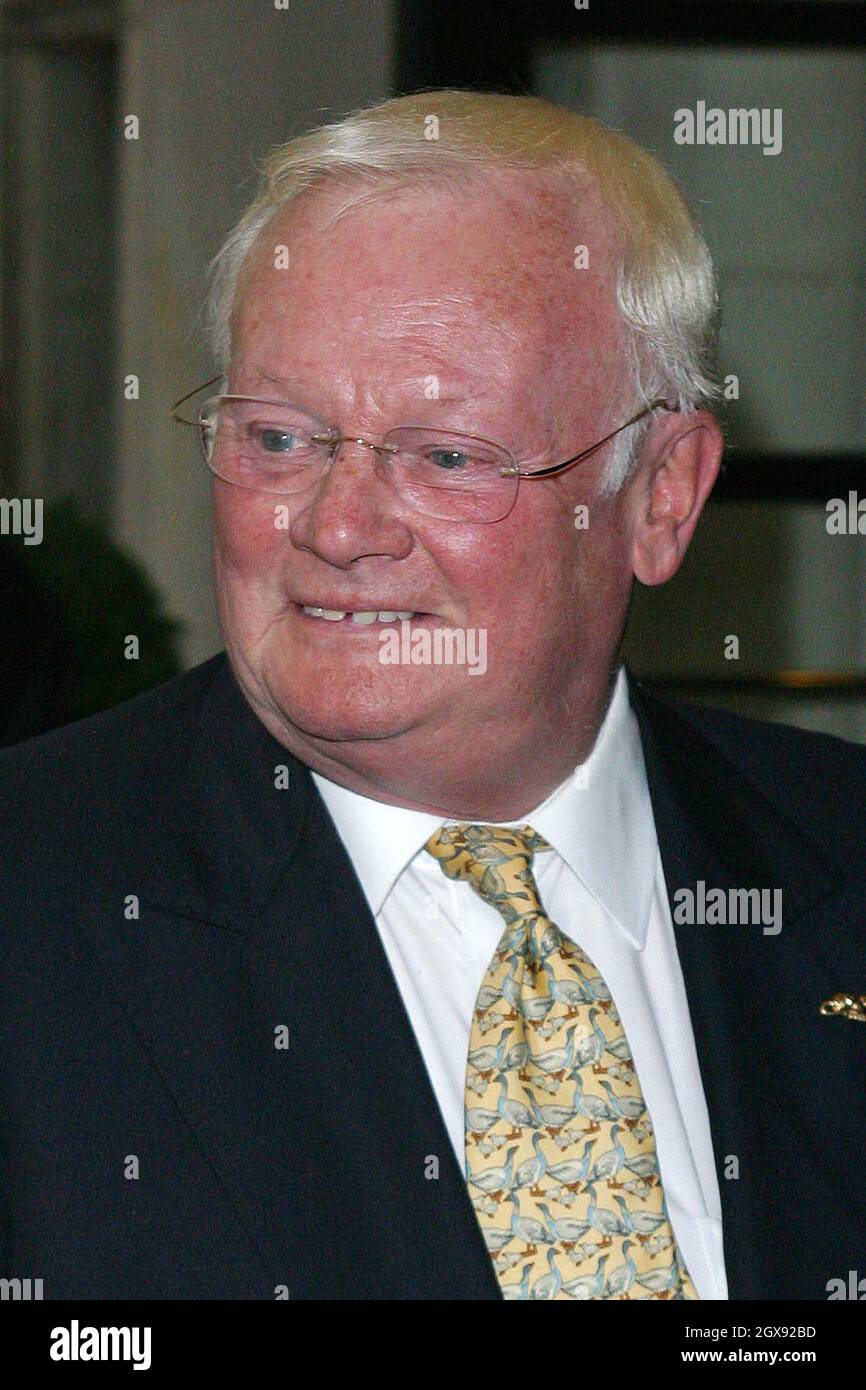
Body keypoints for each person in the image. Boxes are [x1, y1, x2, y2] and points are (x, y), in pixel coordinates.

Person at [1, 90, 863, 1302]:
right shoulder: (36, 905)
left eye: (448, 455)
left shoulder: (833, 858)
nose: (338, 526)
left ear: (660, 493)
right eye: (279, 440)